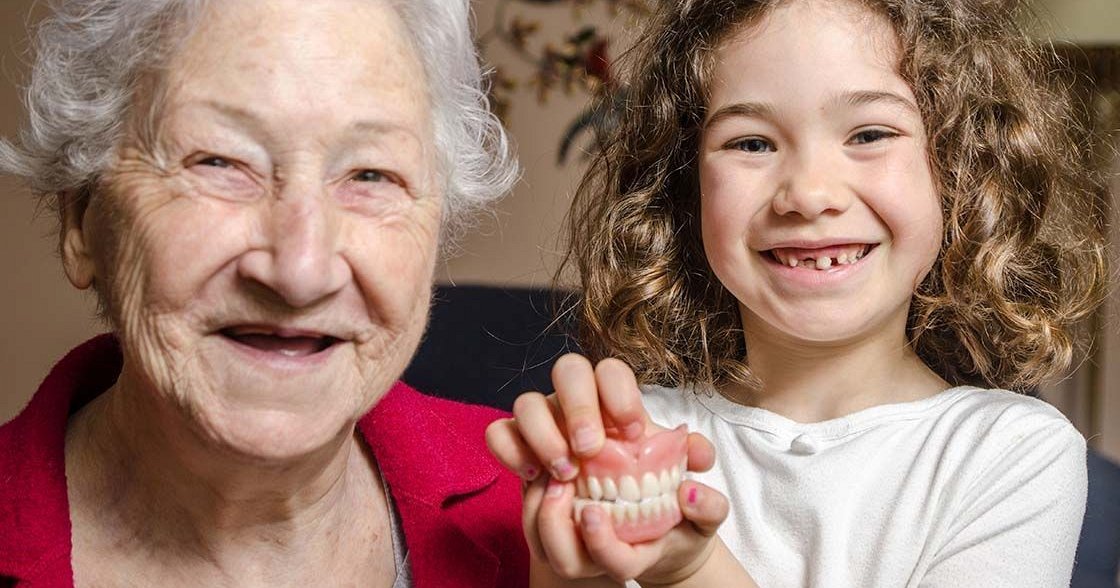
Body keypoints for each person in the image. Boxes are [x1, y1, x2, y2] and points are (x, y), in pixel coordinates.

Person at [487, 0, 1109, 586]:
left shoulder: (1010, 453)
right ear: (686, 188)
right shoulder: (640, 439)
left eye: (869, 134)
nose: (809, 194)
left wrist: (689, 570)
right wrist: (576, 566)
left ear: (960, 170)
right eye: (751, 143)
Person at [0, 0, 528, 586]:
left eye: (370, 175)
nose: (299, 271)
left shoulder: (538, 525)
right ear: (82, 220)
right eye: (220, 162)